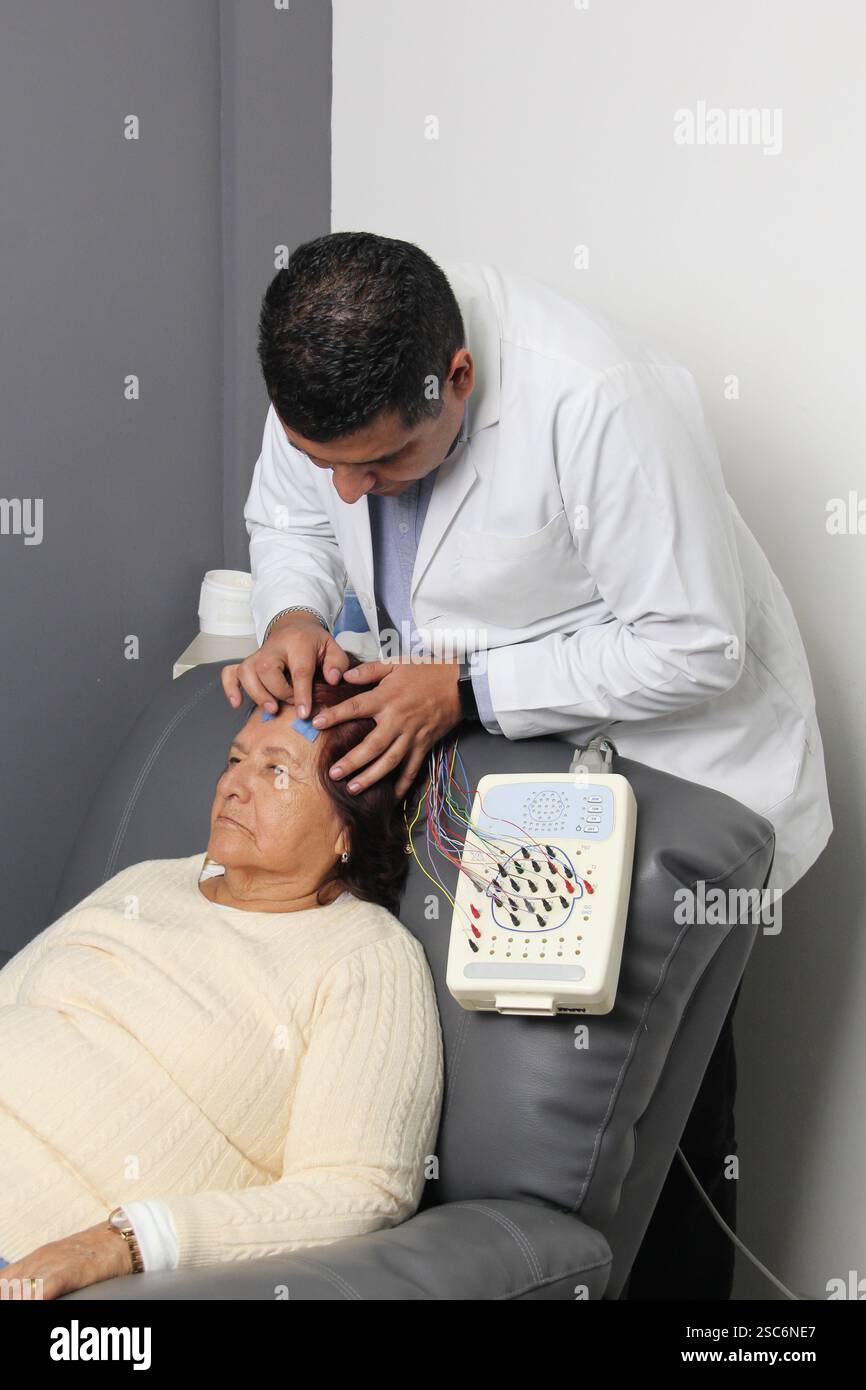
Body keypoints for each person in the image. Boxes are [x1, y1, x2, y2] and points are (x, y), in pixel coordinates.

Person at [222, 231, 833, 1299]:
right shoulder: (329, 368)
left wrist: (465, 689)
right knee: (510, 1100)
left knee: (654, 1119)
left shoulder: (596, 400)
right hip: (506, 762)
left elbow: (696, 641)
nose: (354, 493)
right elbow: (289, 515)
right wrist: (293, 605)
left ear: (455, 378)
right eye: (331, 464)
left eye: (383, 463)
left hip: (671, 768)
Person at [0, 680, 443, 1300]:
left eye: (276, 770)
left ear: (349, 826)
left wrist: (126, 1241)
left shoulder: (366, 960)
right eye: (235, 760)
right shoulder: (148, 882)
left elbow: (361, 1189)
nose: (234, 784)